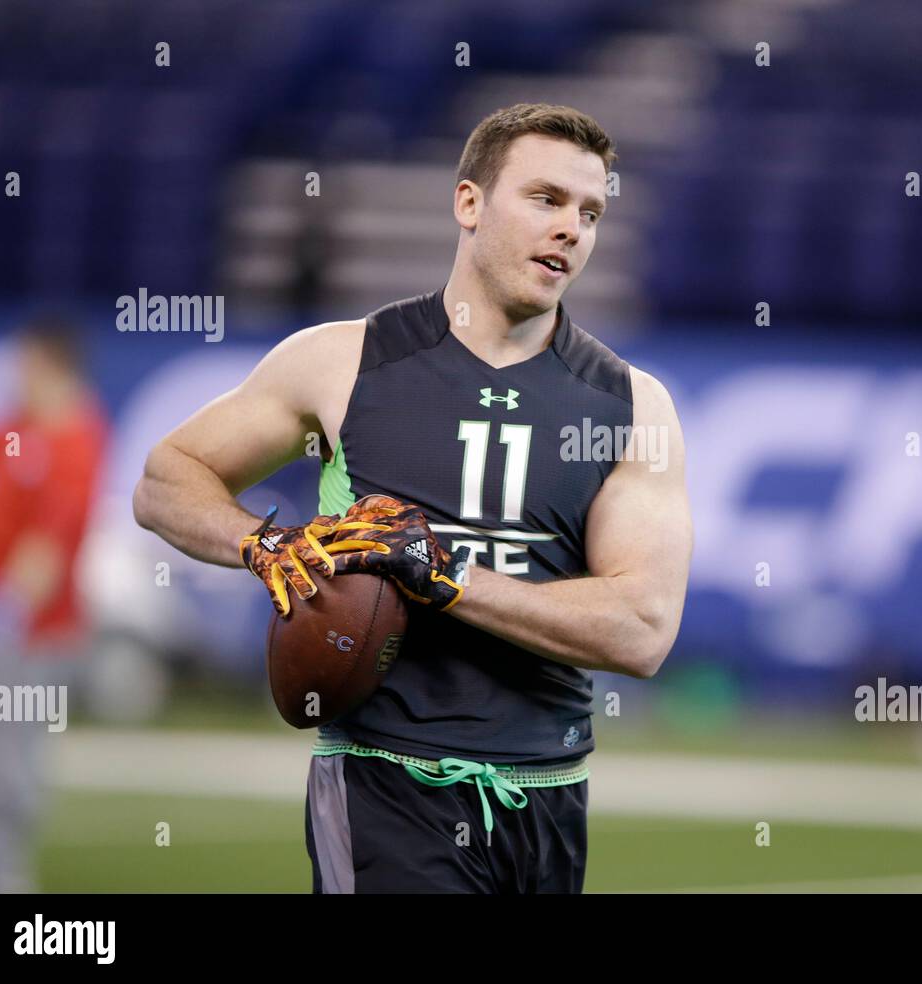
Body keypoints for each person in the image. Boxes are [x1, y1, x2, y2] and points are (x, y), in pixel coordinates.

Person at [133, 104, 692, 894]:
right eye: (545, 199)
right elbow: (166, 478)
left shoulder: (630, 405)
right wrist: (267, 547)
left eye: (590, 212)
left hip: (549, 795)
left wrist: (448, 577)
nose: (571, 228)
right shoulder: (343, 361)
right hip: (384, 782)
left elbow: (642, 630)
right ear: (469, 203)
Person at [0, 319, 109, 892]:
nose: (14, 376)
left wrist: (7, 615)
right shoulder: (21, 431)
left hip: (29, 631)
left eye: (24, 364)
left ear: (49, 365)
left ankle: (5, 872)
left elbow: (50, 542)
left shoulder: (75, 441)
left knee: (12, 754)